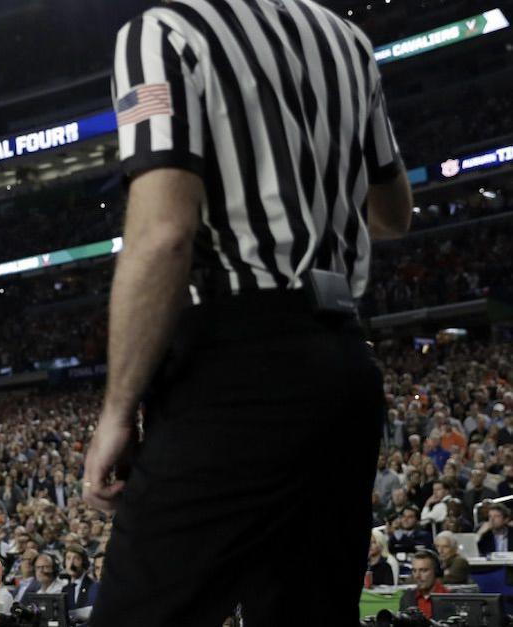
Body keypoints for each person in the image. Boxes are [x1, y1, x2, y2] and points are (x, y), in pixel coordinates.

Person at [83, 0, 412, 623]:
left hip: (236, 364)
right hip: (343, 359)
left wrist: (118, 411)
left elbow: (164, 234)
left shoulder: (163, 33)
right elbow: (393, 213)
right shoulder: (346, 40)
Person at [399, 551, 447, 617]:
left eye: (423, 570)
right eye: (414, 571)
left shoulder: (449, 599)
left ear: (436, 572)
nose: (417, 576)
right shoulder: (407, 597)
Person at [62, 545, 95, 623]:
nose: (71, 563)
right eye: (68, 558)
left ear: (84, 562)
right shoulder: (65, 589)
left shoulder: (92, 586)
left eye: (76, 558)